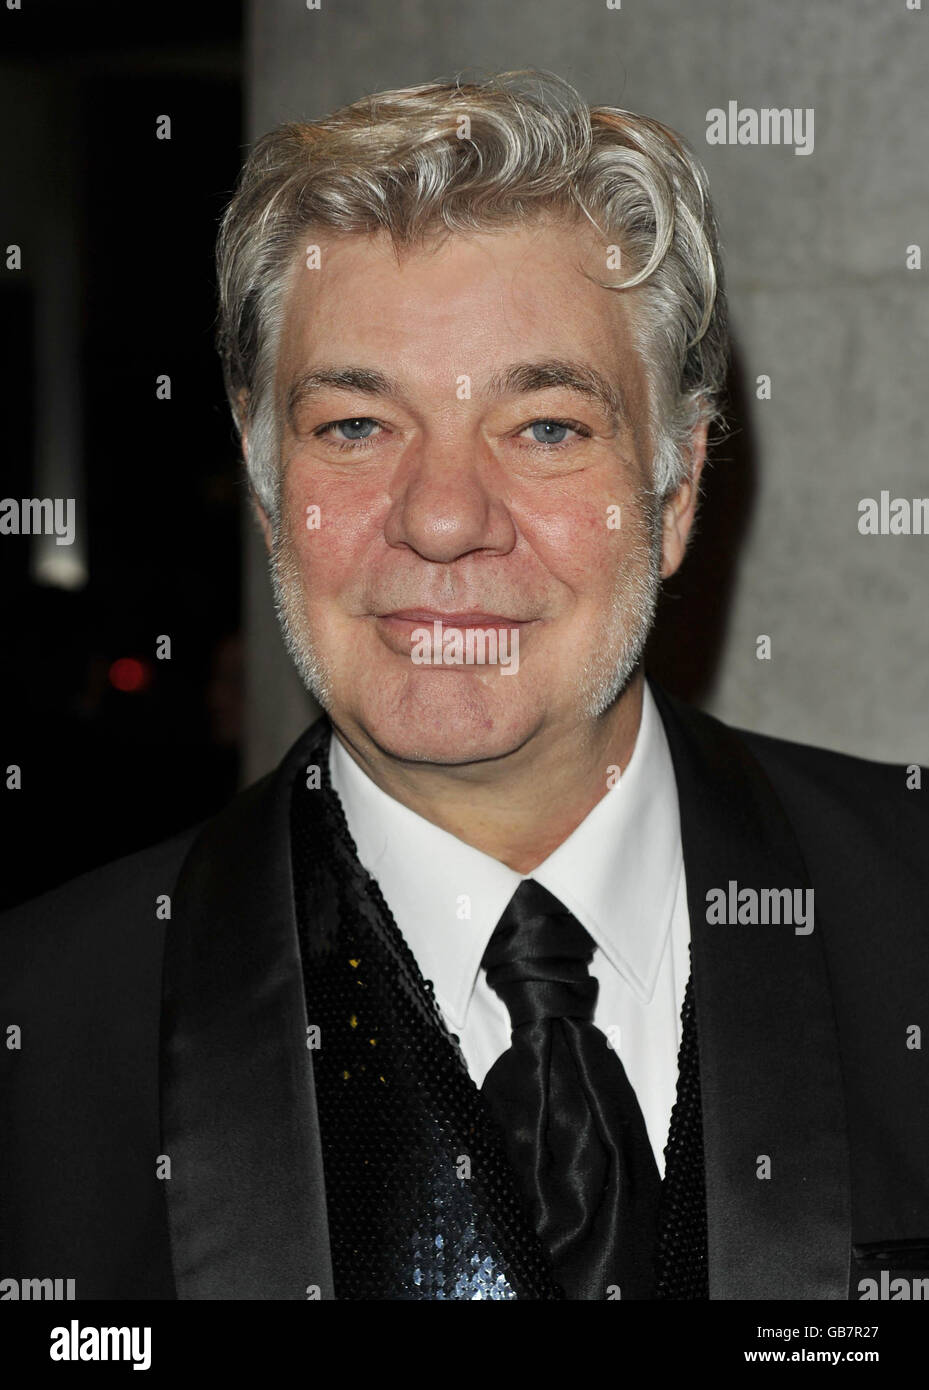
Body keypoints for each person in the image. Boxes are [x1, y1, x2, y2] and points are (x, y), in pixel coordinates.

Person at [2, 70, 927, 1302]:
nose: (440, 520)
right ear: (266, 480)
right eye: (352, 427)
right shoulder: (43, 1027)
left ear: (674, 491)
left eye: (544, 426)